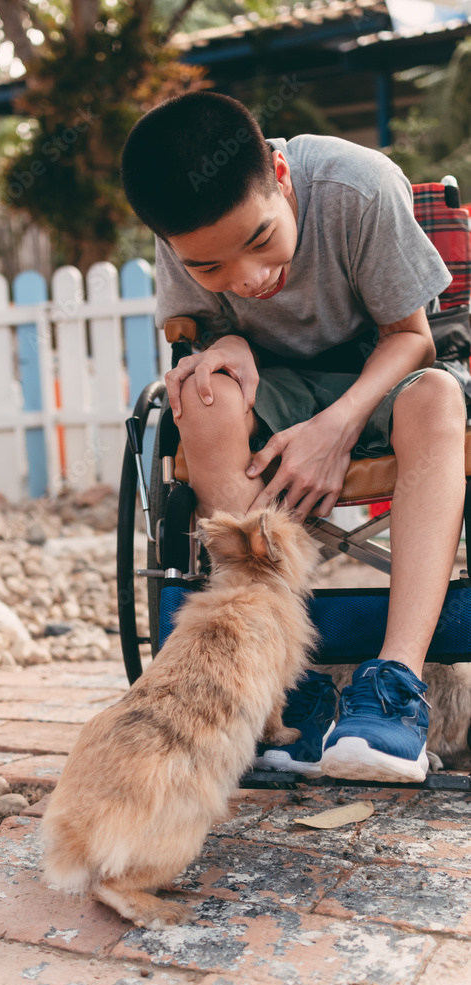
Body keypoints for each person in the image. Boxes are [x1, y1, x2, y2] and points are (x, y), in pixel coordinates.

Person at [120, 91, 467, 783]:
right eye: (209, 268)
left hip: (389, 369)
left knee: (434, 400)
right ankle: (285, 684)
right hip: (279, 382)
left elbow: (412, 339)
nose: (248, 279)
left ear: (280, 177)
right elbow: (196, 333)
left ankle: (394, 686)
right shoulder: (178, 223)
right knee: (202, 394)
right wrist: (226, 343)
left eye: (258, 242)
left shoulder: (355, 186)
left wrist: (334, 429)